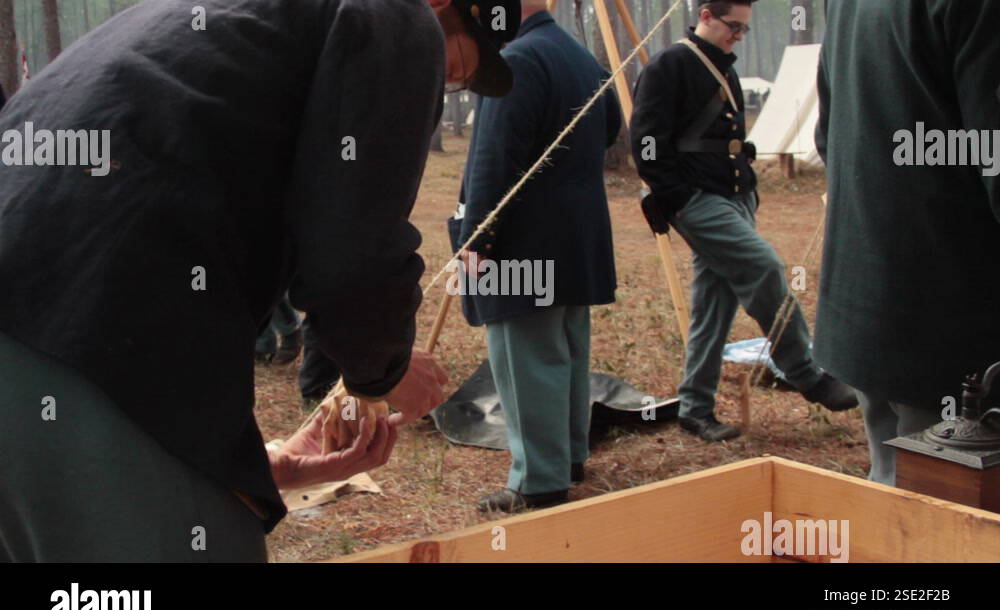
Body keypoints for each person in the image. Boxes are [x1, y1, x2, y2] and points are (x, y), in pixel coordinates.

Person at [0, 0, 519, 562]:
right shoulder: (394, 12)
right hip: (93, 348)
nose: (449, 82)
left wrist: (253, 464)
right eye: (458, 68)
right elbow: (352, 246)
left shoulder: (204, 21)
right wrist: (385, 372)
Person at [630, 0, 856, 443]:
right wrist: (674, 197)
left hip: (734, 197)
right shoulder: (670, 65)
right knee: (764, 267)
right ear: (706, 16)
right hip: (697, 200)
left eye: (744, 30)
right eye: (733, 26)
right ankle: (806, 374)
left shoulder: (722, 66)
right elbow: (647, 141)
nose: (738, 35)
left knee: (714, 307)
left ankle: (695, 408)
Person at [814, 1, 1000, 484]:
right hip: (954, 327)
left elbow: (829, 135)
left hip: (873, 299)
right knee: (948, 519)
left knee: (897, 493)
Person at [451, 0, 621, 512]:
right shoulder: (581, 56)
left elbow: (493, 158)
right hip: (576, 237)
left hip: (523, 240)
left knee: (527, 361)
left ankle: (537, 481)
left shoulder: (519, 59)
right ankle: (567, 456)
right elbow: (610, 128)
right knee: (564, 355)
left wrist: (476, 241)